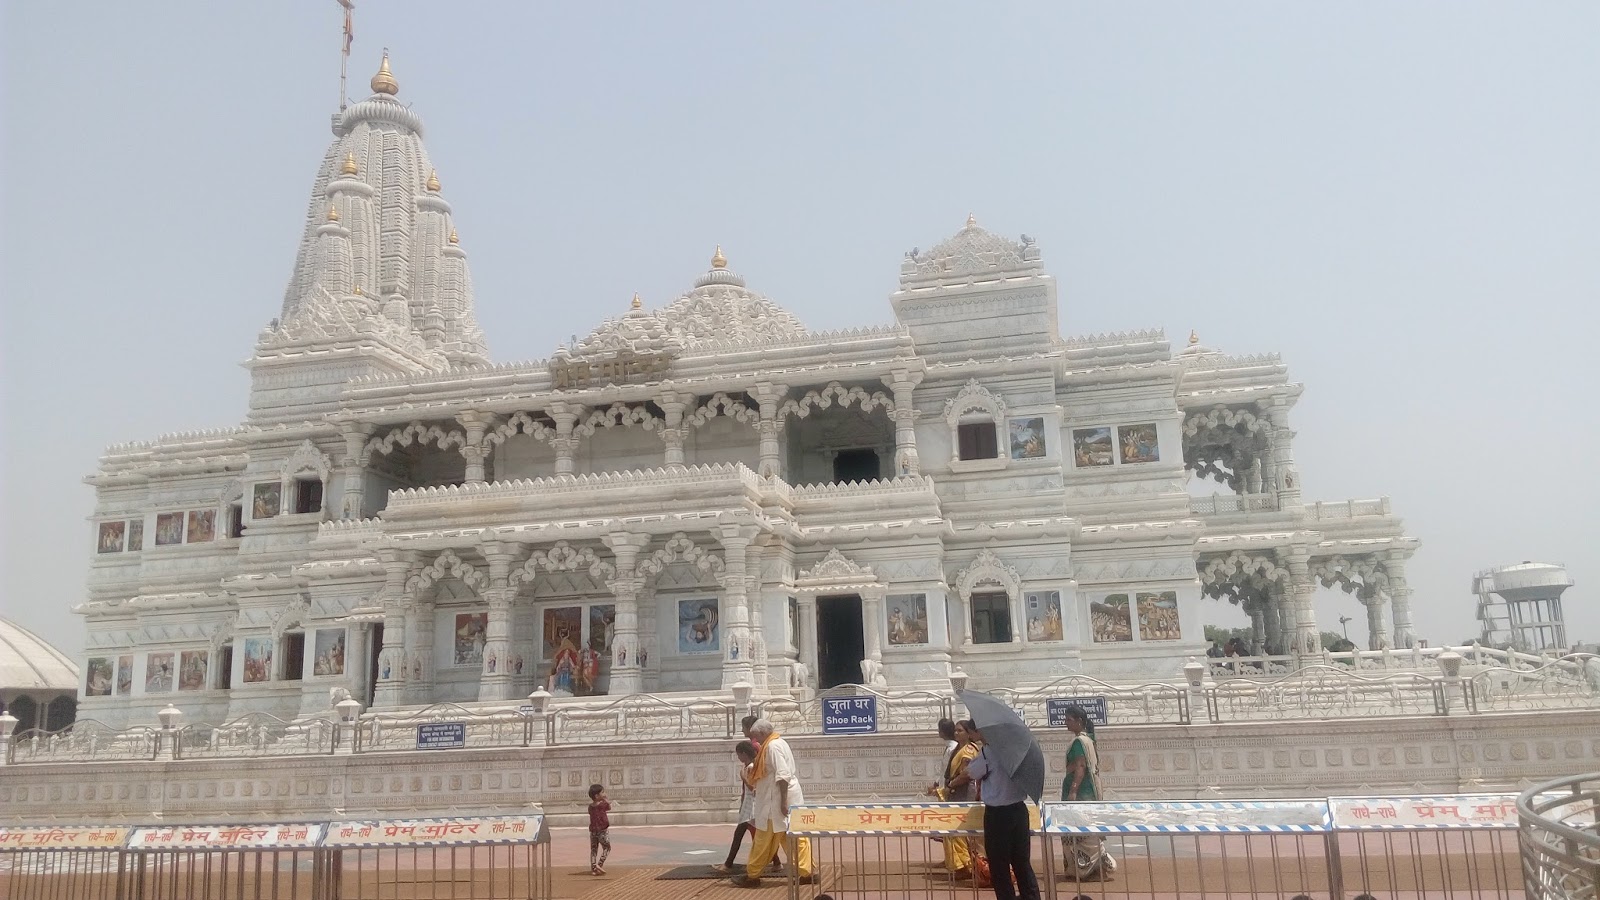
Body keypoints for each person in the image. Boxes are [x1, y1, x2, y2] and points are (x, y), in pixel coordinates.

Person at [733, 719, 814, 888]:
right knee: (792, 838)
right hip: (779, 800)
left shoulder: (772, 747)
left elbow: (783, 775)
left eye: (756, 737)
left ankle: (753, 876)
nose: (756, 742)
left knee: (763, 839)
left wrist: (783, 802)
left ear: (762, 734)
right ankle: (807, 873)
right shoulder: (778, 743)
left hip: (775, 802)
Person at [964, 725, 1040, 900]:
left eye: (974, 731)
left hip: (998, 815)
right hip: (1019, 811)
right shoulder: (1014, 749)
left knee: (999, 866)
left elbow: (972, 772)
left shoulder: (988, 753)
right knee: (1022, 863)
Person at [1059, 705, 1115, 880]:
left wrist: (1073, 791)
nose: (1066, 723)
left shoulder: (1079, 742)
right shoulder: (1089, 740)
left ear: (1079, 721)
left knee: (1081, 833)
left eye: (1069, 719)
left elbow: (1080, 767)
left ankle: (1086, 870)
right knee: (1088, 831)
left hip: (1081, 792)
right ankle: (1096, 868)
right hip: (1090, 791)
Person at [936, 719, 984, 880]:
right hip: (956, 791)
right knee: (954, 829)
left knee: (960, 829)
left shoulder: (969, 750)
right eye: (955, 731)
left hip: (964, 792)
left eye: (960, 731)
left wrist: (951, 785)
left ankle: (967, 866)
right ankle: (961, 865)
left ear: (968, 733)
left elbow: (966, 774)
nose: (956, 733)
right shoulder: (957, 748)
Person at [712, 740, 759, 874]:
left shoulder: (750, 767)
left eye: (739, 754)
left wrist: (743, 777)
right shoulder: (749, 766)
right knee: (757, 836)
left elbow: (753, 787)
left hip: (752, 806)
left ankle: (728, 864)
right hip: (748, 805)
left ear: (744, 754)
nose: (738, 757)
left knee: (740, 834)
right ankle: (775, 862)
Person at [587, 783, 612, 875]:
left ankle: (594, 868)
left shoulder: (590, 807)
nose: (604, 793)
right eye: (602, 792)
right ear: (597, 795)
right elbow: (609, 807)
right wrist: (606, 799)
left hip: (593, 831)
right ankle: (599, 864)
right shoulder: (602, 805)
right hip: (602, 830)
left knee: (594, 849)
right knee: (607, 848)